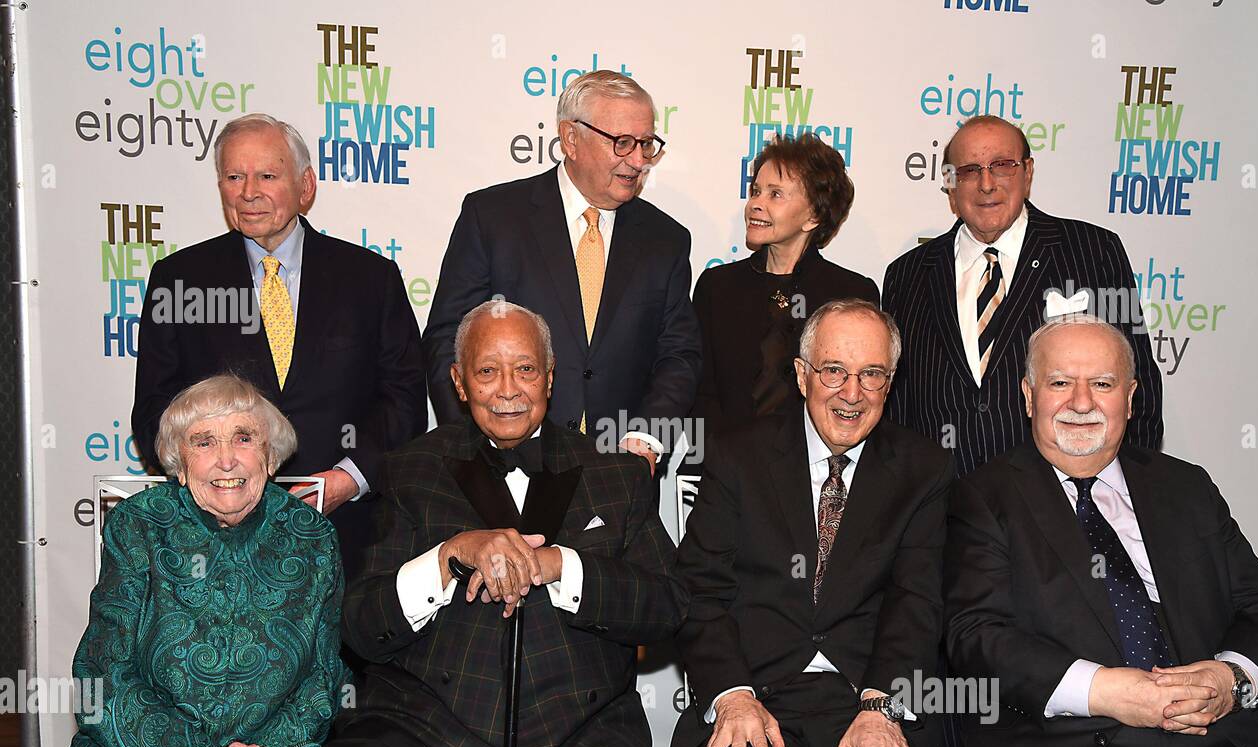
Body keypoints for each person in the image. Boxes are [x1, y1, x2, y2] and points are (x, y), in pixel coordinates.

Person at [279, 300, 688, 747]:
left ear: (550, 376)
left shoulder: (613, 473)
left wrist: (559, 566)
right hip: (425, 725)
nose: (508, 390)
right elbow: (362, 626)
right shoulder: (413, 469)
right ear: (458, 382)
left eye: (525, 369)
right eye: (487, 371)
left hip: (578, 731)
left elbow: (666, 606)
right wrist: (447, 557)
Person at [881, 114, 1165, 747]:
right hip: (946, 527)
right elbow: (902, 413)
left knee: (1051, 693)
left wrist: (1110, 512)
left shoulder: (1090, 250)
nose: (986, 182)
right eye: (967, 170)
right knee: (957, 690)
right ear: (947, 185)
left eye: (1001, 165)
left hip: (1060, 529)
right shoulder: (907, 276)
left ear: (1029, 171)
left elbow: (1135, 386)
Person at [945, 316, 1258, 747]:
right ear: (1028, 395)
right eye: (1061, 382)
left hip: (1209, 742)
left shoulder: (1186, 487)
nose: (1082, 402)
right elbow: (976, 635)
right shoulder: (984, 496)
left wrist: (1228, 679)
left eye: (1103, 384)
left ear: (1131, 398)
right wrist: (1108, 690)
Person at [670, 298, 953, 747]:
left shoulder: (924, 469)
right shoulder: (737, 454)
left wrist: (883, 704)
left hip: (868, 698)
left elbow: (917, 603)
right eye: (834, 371)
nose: (851, 392)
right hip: (758, 696)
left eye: (871, 374)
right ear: (802, 375)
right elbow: (699, 590)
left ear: (890, 382)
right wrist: (732, 694)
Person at [37, 375, 350, 747]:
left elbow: (324, 675)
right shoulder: (139, 526)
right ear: (180, 466)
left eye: (244, 438)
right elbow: (101, 671)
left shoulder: (311, 536)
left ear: (270, 459)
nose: (226, 460)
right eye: (204, 442)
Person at [132, 113, 427, 578]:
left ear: (305, 186)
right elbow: (153, 408)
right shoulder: (179, 279)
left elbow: (404, 400)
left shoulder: (371, 278)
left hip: (347, 537)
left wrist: (348, 480)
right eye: (234, 176)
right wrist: (217, 486)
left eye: (267, 175)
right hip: (213, 543)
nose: (249, 192)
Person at [423, 71, 701, 474]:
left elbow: (680, 354)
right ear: (570, 138)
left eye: (646, 144)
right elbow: (448, 340)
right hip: (506, 466)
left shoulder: (667, 239)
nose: (639, 161)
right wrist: (474, 445)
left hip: (618, 475)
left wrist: (646, 437)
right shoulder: (494, 217)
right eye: (622, 142)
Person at [692, 133, 877, 438]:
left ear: (814, 215)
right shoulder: (718, 287)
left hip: (812, 474)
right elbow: (702, 392)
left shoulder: (851, 294)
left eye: (775, 195)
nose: (755, 204)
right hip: (727, 469)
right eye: (756, 191)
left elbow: (856, 396)